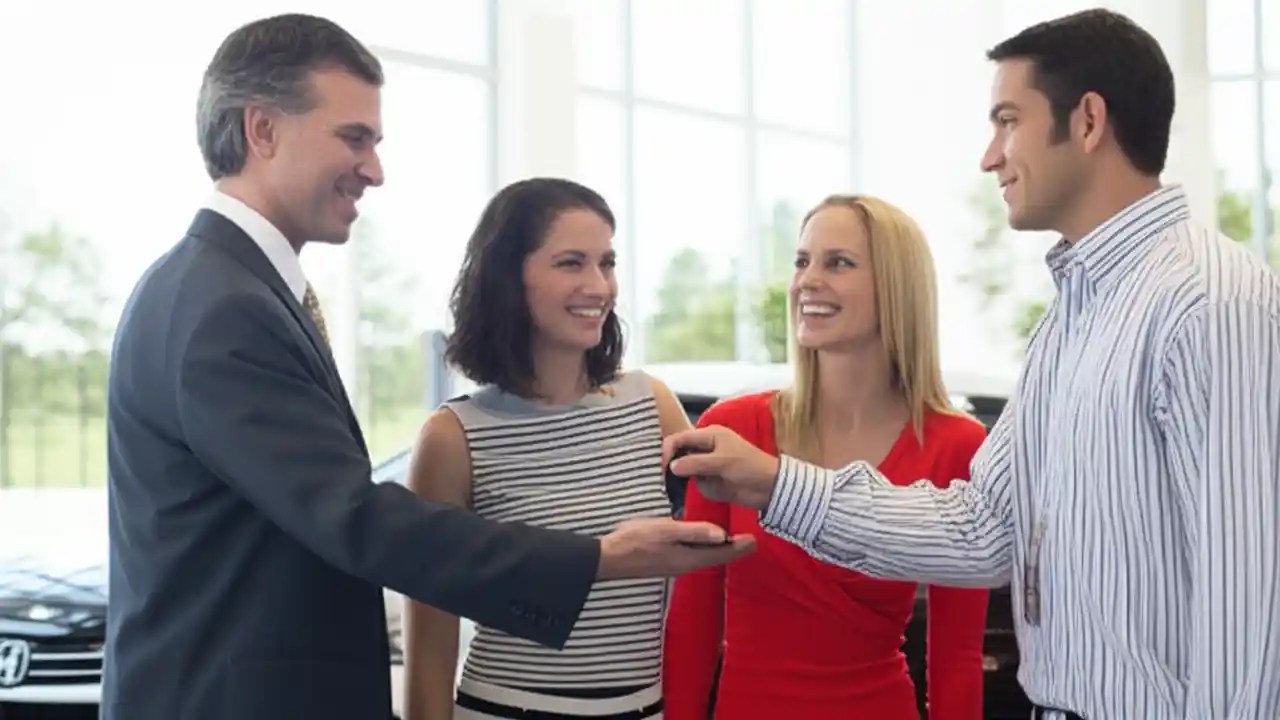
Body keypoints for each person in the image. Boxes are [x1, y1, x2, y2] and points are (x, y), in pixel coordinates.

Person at [103, 15, 751, 720]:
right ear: (262, 131)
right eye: (354, 138)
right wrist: (599, 558)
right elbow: (356, 519)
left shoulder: (229, 289)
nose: (374, 170)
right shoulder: (221, 304)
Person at [663, 9, 1280, 720]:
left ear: (1087, 122)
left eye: (1007, 120)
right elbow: (982, 529)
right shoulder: (1072, 321)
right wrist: (774, 482)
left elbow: (1251, 607)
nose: (991, 156)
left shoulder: (1212, 303)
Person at [401, 177, 718, 719]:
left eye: (607, 263)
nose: (599, 285)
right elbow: (430, 646)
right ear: (508, 279)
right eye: (571, 263)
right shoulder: (453, 437)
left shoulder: (652, 405)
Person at [662, 195, 989, 720]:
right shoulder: (733, 429)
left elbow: (958, 656)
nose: (807, 281)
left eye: (838, 262)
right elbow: (693, 619)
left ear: (896, 286)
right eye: (801, 261)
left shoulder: (958, 445)